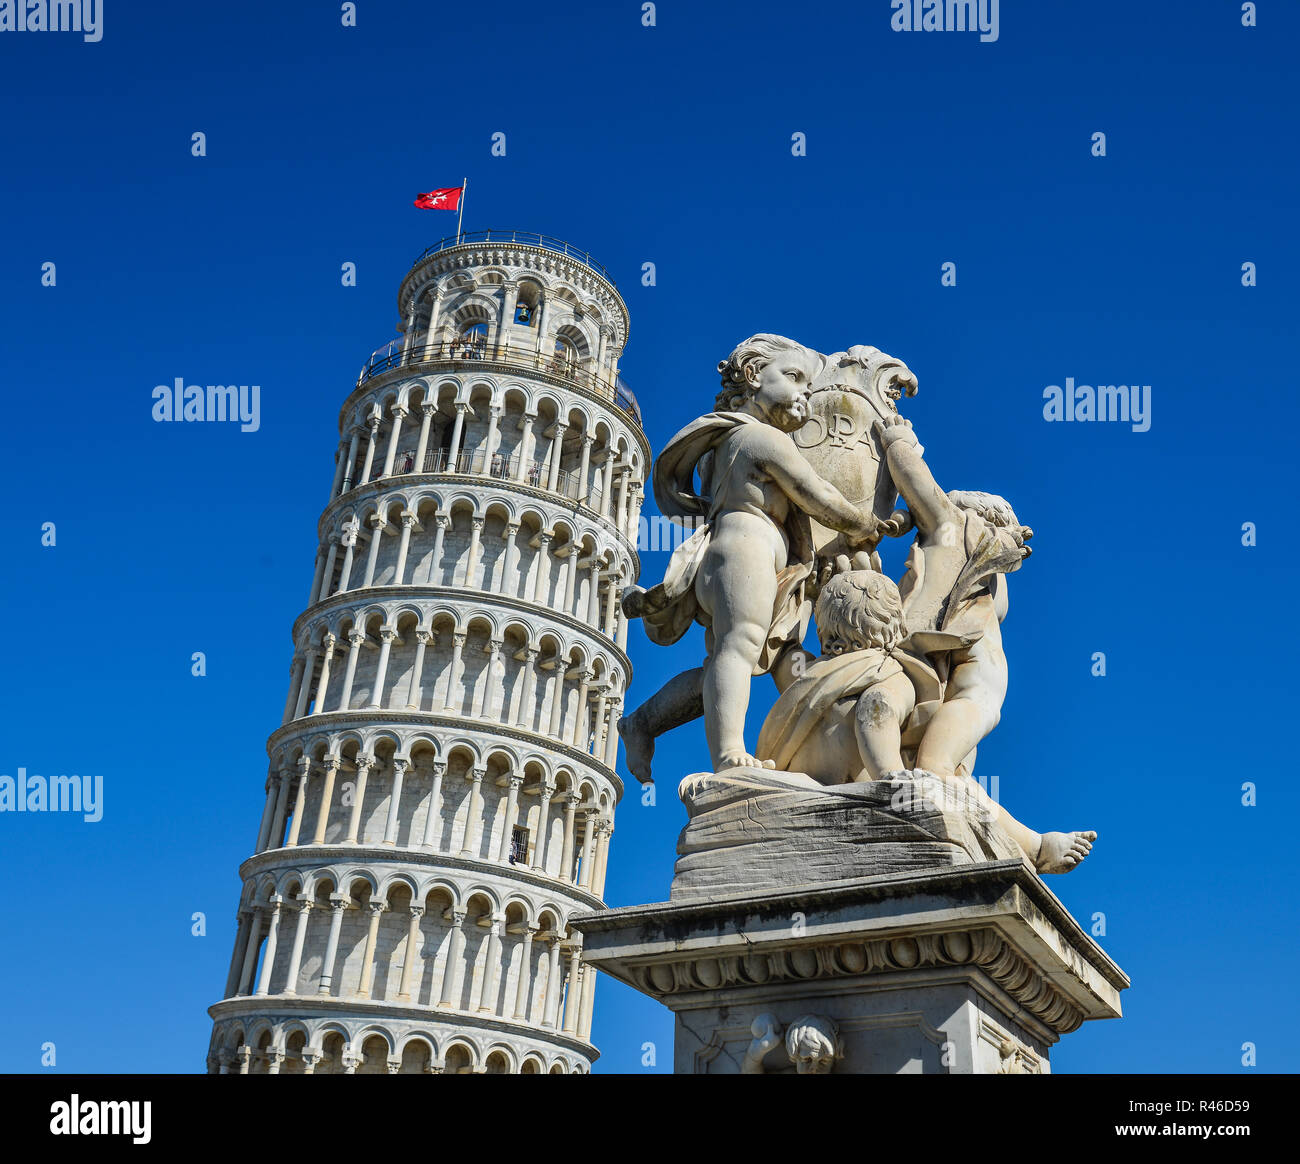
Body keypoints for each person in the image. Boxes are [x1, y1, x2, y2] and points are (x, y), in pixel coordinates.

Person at [619, 334, 894, 775]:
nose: (804, 392)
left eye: (809, 384)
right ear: (752, 376)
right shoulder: (758, 437)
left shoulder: (733, 438)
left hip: (752, 555)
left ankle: (643, 722)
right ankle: (729, 755)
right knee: (739, 648)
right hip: (745, 547)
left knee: (732, 660)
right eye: (793, 377)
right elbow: (816, 493)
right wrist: (863, 523)